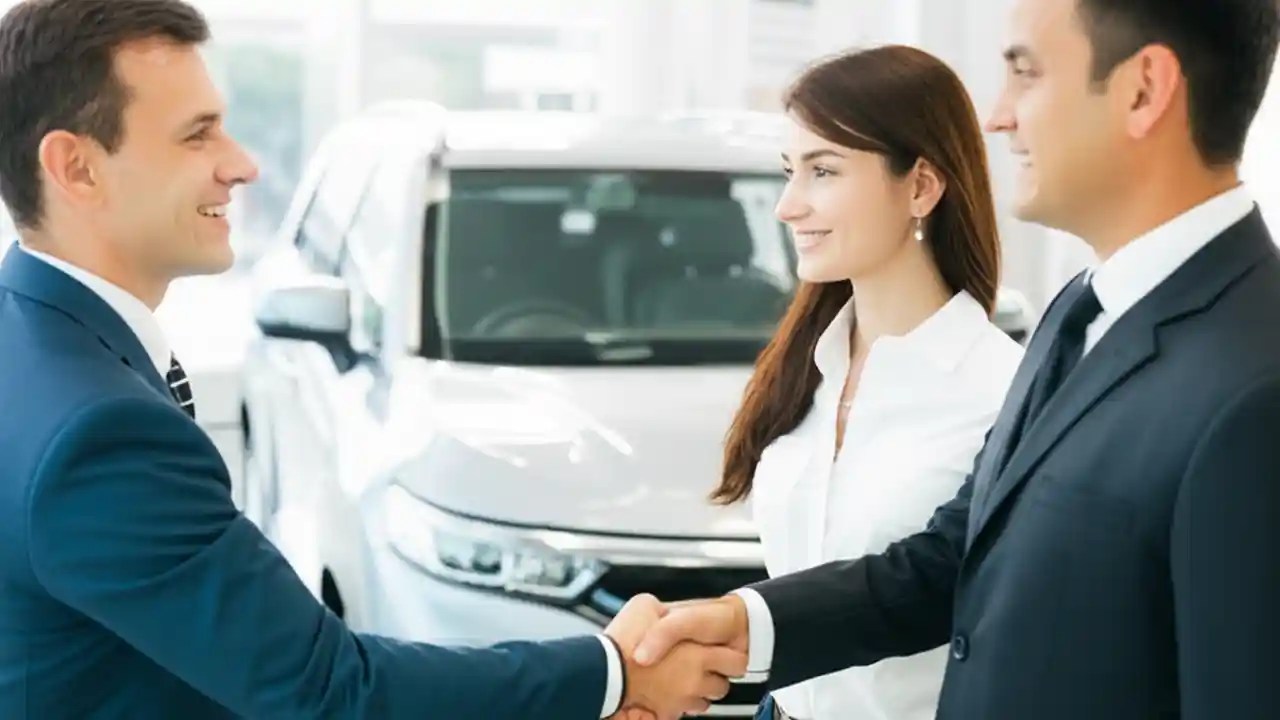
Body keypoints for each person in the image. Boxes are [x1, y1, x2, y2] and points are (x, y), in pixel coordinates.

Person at [0, 1, 743, 718]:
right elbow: (333, 691)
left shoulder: (30, 339)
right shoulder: (103, 433)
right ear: (77, 168)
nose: (243, 164)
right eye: (198, 135)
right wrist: (614, 675)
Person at [632, 0, 1280, 718]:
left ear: (1143, 90)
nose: (998, 118)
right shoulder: (1079, 313)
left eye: (1025, 74)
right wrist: (749, 622)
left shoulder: (1257, 384)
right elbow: (949, 562)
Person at [708, 45, 1022, 720]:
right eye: (789, 172)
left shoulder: (1004, 392)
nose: (788, 206)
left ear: (921, 187)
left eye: (823, 171)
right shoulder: (805, 369)